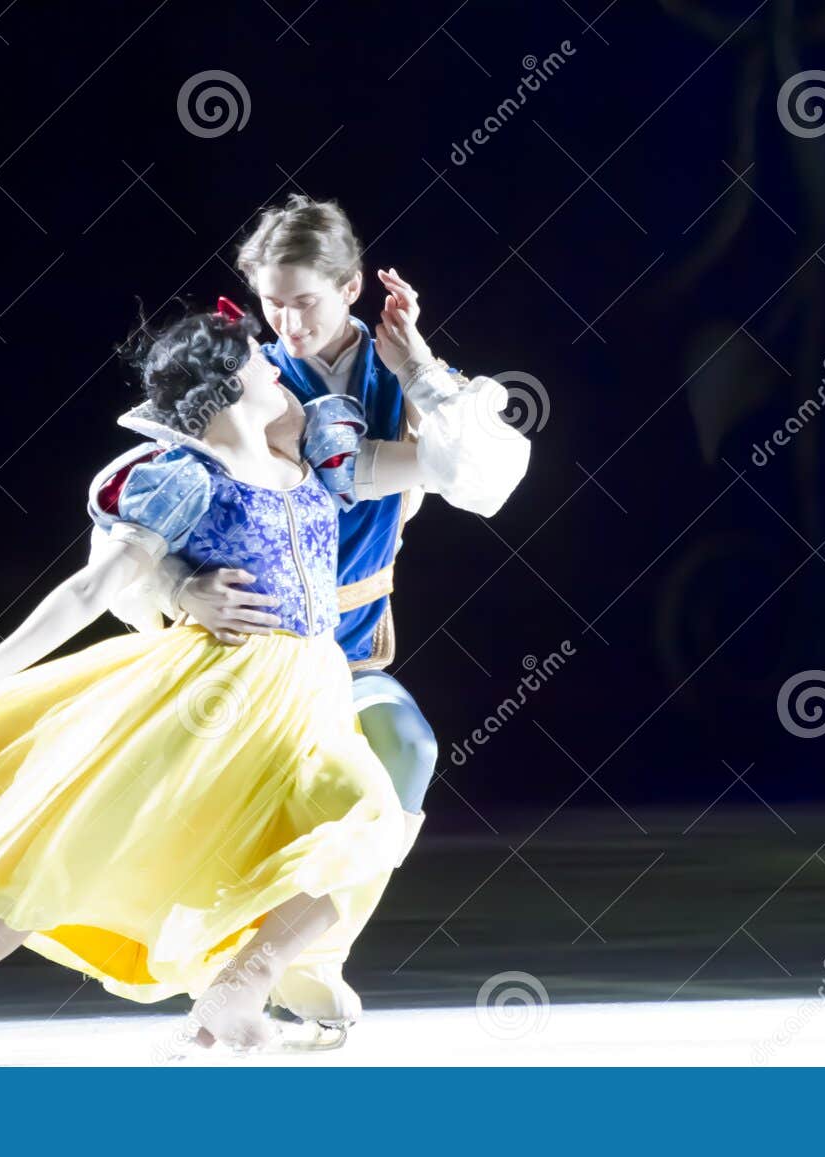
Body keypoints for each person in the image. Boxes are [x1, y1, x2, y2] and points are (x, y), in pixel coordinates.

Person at [0, 301, 439, 1065]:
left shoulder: (316, 450)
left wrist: (422, 371)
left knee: (367, 824)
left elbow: (443, 466)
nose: (269, 364)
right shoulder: (181, 478)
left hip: (307, 692)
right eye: (254, 357)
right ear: (225, 388)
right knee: (67, 857)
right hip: (210, 695)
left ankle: (239, 990)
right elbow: (91, 591)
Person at [109, 196, 532, 1030]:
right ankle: (226, 960)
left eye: (303, 299)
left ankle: (304, 956)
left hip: (350, 649)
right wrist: (175, 589)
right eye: (271, 301)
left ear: (350, 287)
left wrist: (418, 368)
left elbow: (481, 482)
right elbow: (139, 516)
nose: (285, 321)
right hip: (251, 648)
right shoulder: (246, 378)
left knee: (403, 748)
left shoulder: (401, 379)